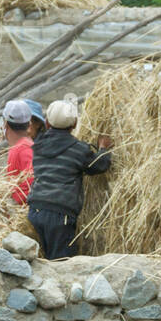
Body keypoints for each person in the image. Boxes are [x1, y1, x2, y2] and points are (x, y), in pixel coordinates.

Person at [26, 99, 112, 260]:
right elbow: (99, 166)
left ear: (47, 122)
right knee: (60, 262)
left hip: (35, 210)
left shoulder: (38, 146)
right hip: (61, 215)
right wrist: (103, 149)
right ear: (74, 124)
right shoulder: (79, 149)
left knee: (40, 261)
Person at [2, 99, 35, 205]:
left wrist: (13, 201)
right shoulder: (26, 146)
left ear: (5, 124)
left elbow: (31, 181)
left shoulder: (21, 149)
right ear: (29, 124)